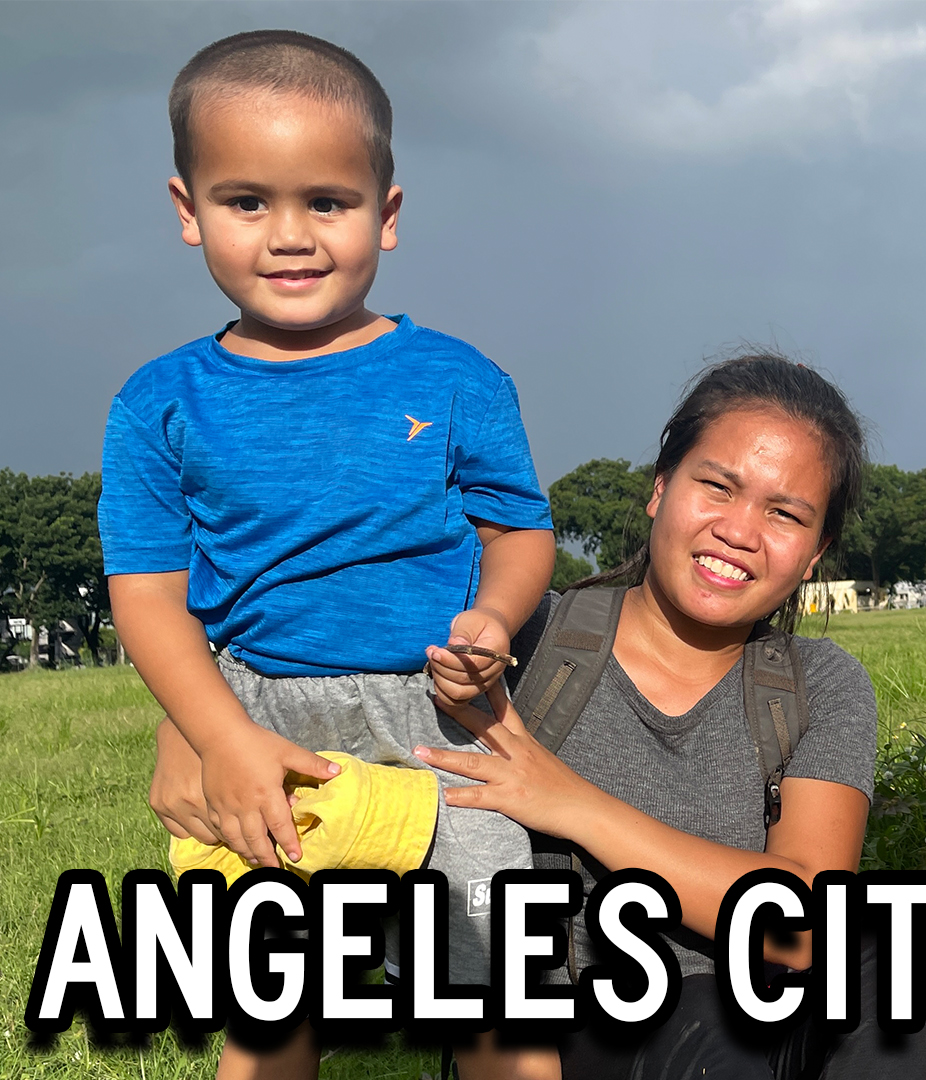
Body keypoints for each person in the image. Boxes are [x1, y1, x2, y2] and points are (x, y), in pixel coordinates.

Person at [102, 30, 556, 1080]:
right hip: (258, 714)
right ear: (188, 211)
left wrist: (494, 617)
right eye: (247, 200)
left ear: (386, 216)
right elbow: (148, 596)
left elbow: (517, 532)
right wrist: (217, 737)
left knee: (497, 989)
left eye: (329, 202)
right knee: (268, 1011)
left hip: (442, 719)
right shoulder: (158, 402)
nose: (291, 235)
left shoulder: (455, 377)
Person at [421, 354, 926, 1079]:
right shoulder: (525, 639)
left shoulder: (821, 683)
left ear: (814, 553)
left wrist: (572, 804)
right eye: (718, 487)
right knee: (703, 1017)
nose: (740, 531)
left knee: (916, 946)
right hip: (574, 1034)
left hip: (758, 1023)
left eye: (784, 514)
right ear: (660, 487)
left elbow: (799, 927)